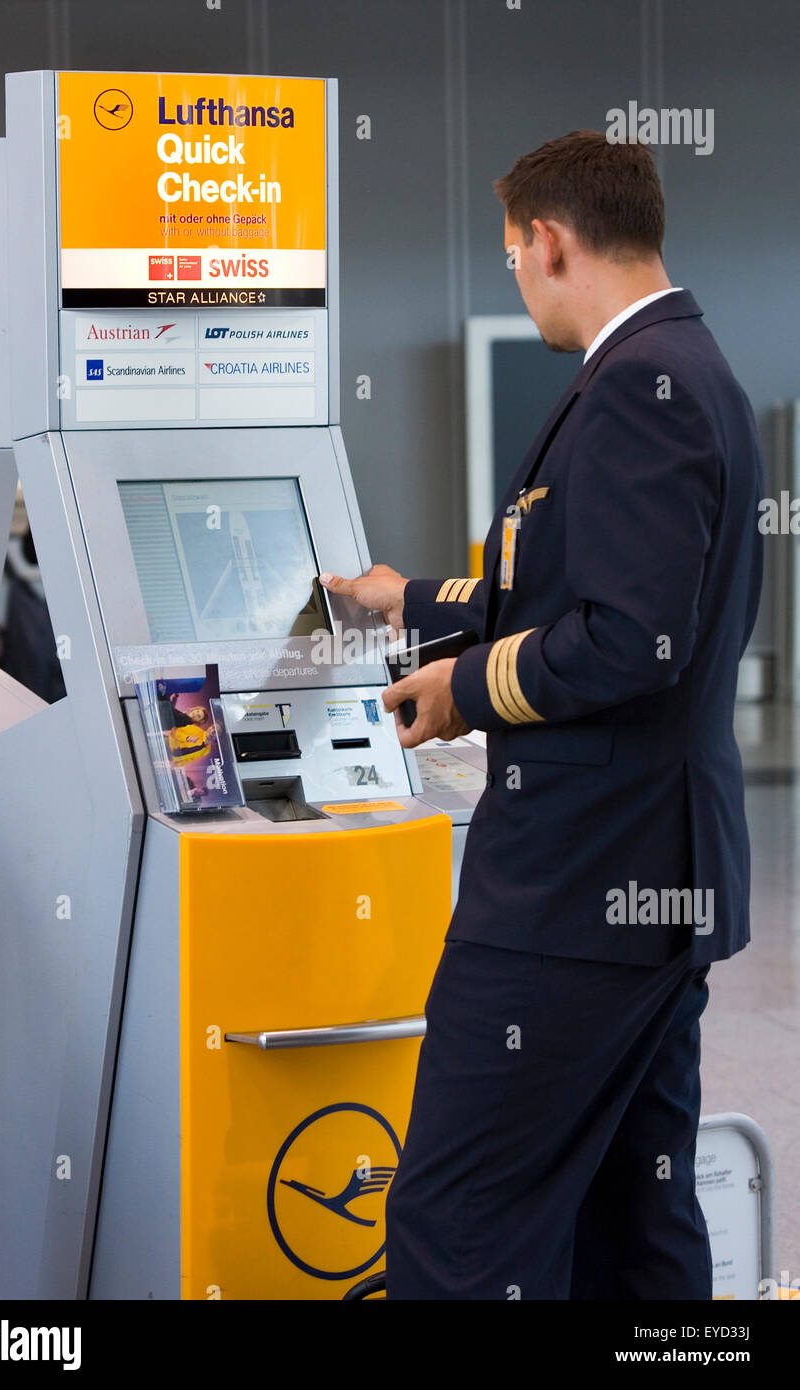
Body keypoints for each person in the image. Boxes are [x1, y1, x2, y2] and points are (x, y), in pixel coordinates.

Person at [319, 130, 764, 1300]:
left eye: (514, 253)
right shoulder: (690, 366)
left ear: (550, 241)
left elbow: (625, 639)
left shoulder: (636, 391)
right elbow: (568, 593)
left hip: (577, 891)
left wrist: (459, 691)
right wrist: (407, 600)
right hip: (651, 884)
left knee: (458, 1215)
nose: (516, 276)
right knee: (633, 1214)